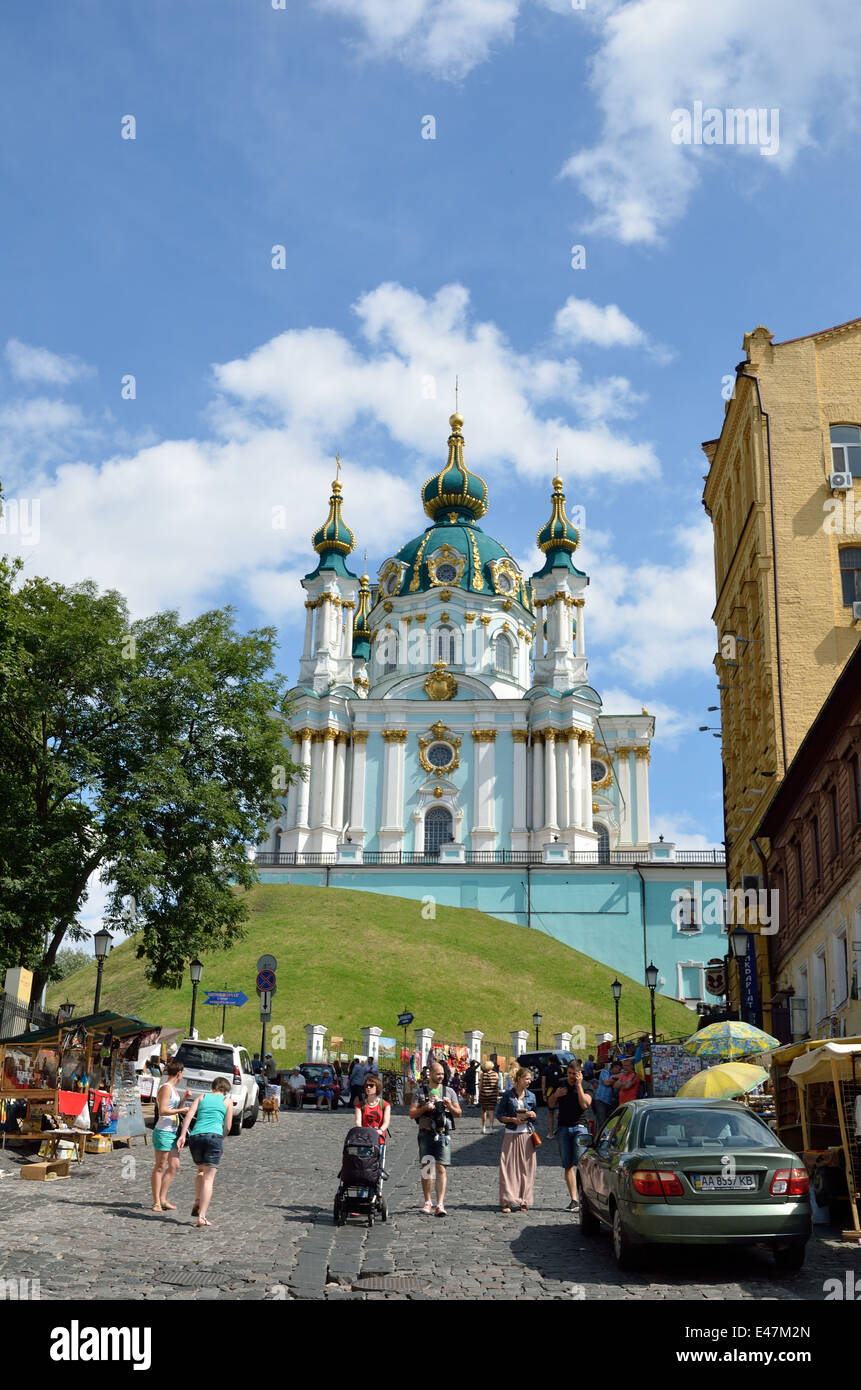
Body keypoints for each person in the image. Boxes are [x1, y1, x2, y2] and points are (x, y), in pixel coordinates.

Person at [177, 1077, 233, 1227]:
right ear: (226, 1090)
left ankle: (197, 1199)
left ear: (213, 1087)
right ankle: (202, 1216)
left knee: (200, 1171)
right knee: (208, 1178)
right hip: (214, 1137)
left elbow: (189, 1115)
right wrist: (222, 1138)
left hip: (196, 1137)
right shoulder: (227, 1101)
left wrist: (183, 1135)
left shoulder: (202, 1097)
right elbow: (228, 1126)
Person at [409, 1059, 462, 1217]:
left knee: (441, 1168)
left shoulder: (449, 1092)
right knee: (427, 1167)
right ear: (430, 1074)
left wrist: (449, 1106)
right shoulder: (420, 1092)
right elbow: (411, 1114)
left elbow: (458, 1113)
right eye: (437, 1073)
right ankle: (427, 1202)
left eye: (442, 1074)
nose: (441, 1076)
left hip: (443, 1133)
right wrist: (425, 1107)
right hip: (425, 1133)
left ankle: (440, 1204)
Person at [547, 1061, 592, 1210]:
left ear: (580, 1073)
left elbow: (585, 1105)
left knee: (581, 1163)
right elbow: (551, 1105)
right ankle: (574, 1200)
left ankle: (585, 1198)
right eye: (569, 1074)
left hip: (580, 1127)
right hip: (564, 1128)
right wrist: (556, 1094)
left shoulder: (586, 1085)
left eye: (575, 1074)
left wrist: (578, 1085)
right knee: (568, 1165)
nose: (572, 1077)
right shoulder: (561, 1084)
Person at [150, 1060, 191, 1212]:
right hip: (163, 1131)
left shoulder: (173, 1088)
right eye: (183, 1073)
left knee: (174, 1165)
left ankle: (163, 1198)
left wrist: (183, 1100)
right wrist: (182, 1110)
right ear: (179, 1073)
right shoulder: (166, 1088)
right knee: (160, 1166)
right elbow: (163, 1110)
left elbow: (174, 1108)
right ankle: (156, 1202)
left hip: (172, 1132)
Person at [496, 1067, 538, 1213]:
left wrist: (532, 1114)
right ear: (519, 1079)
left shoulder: (531, 1096)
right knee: (508, 1168)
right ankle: (508, 1200)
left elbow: (536, 1115)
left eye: (530, 1078)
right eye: (527, 1078)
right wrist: (512, 1120)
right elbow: (499, 1115)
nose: (529, 1081)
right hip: (511, 1133)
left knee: (526, 1168)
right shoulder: (508, 1095)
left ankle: (524, 1200)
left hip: (527, 1134)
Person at [355, 1072, 391, 1140]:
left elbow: (386, 1122)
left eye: (371, 1086)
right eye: (366, 1086)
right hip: (364, 1138)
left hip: (379, 1138)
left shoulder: (385, 1105)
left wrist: (381, 1130)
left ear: (377, 1088)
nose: (368, 1087)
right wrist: (362, 1132)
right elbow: (358, 1122)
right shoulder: (360, 1105)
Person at [592, 1060, 621, 1131]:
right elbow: (606, 1082)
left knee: (607, 1122)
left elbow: (616, 1092)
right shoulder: (605, 1072)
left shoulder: (615, 1077)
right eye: (618, 1069)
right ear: (614, 1067)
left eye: (620, 1070)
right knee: (601, 1122)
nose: (618, 1071)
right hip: (600, 1100)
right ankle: (599, 1139)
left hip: (609, 1102)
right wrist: (615, 1077)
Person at [542, 1055, 564, 1138]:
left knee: (550, 1113)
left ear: (549, 1061)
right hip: (560, 1091)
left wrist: (543, 1094)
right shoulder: (560, 1068)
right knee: (560, 1112)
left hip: (550, 1092)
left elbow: (543, 1082)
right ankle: (560, 1131)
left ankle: (550, 1133)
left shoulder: (546, 1069)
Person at [478, 1059, 500, 1133]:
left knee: (484, 1111)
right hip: (493, 1095)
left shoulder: (482, 1075)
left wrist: (479, 1094)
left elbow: (480, 1086)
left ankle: (483, 1127)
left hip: (484, 1095)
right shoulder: (496, 1074)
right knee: (491, 1111)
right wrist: (497, 1094)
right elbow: (497, 1086)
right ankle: (491, 1128)